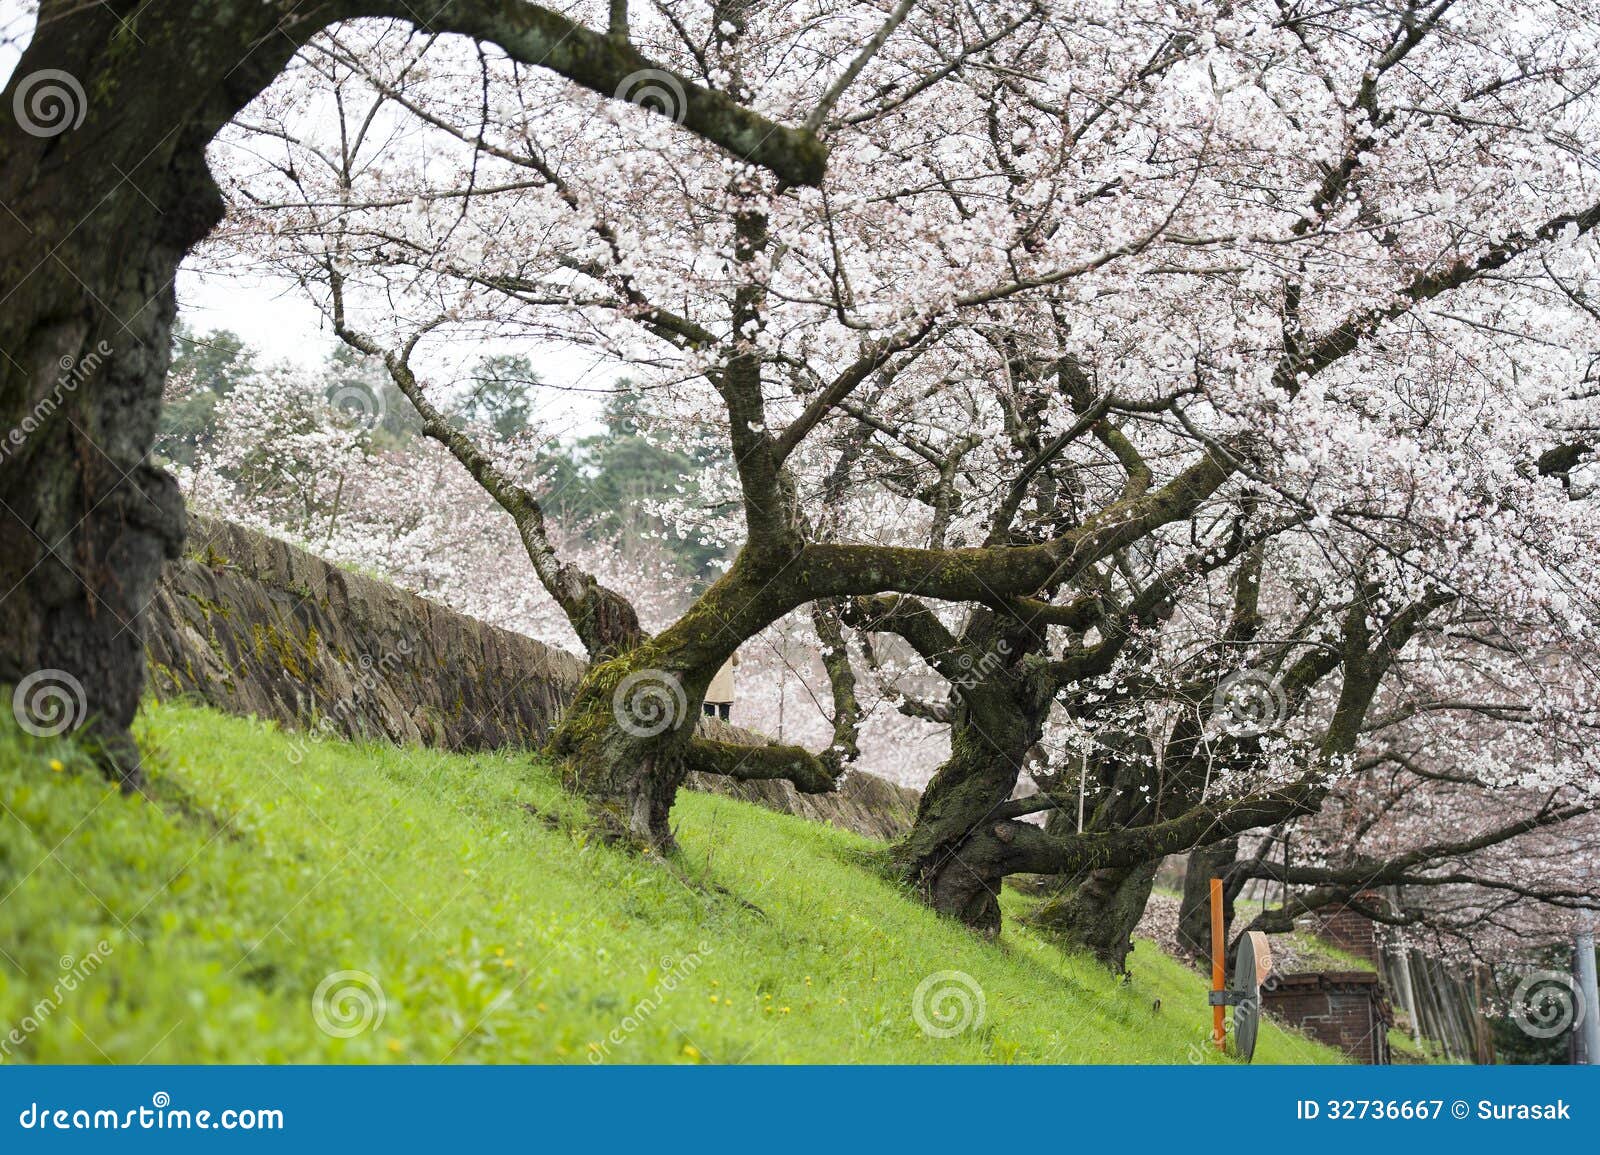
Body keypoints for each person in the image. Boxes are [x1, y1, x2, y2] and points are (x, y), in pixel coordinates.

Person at [703, 653, 737, 721]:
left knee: (708, 718)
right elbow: (736, 661)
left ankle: (709, 731)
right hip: (725, 685)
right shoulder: (729, 645)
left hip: (710, 682)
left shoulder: (704, 646)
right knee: (724, 719)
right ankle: (725, 731)